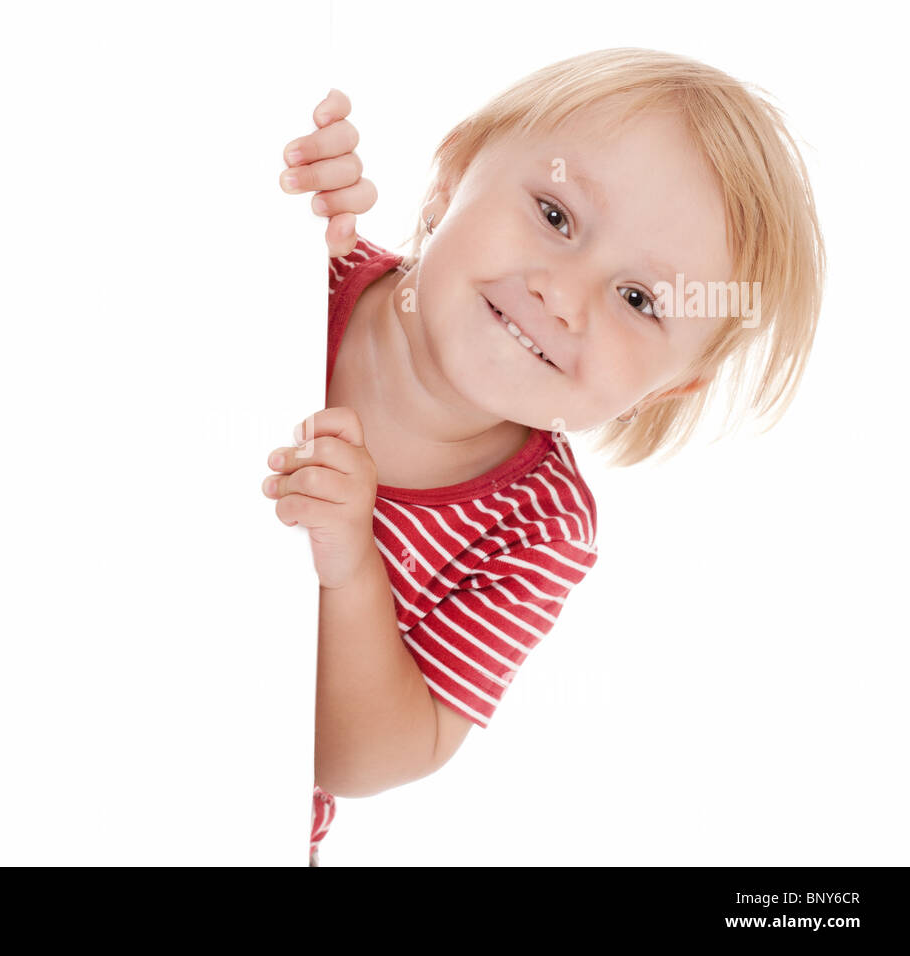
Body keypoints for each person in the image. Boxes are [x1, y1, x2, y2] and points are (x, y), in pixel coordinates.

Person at [265, 48, 826, 867]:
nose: (562, 299)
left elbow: (354, 762)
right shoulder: (302, 266)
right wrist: (277, 172)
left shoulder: (539, 525)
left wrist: (350, 566)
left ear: (666, 390)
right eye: (556, 216)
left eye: (639, 300)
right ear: (452, 175)